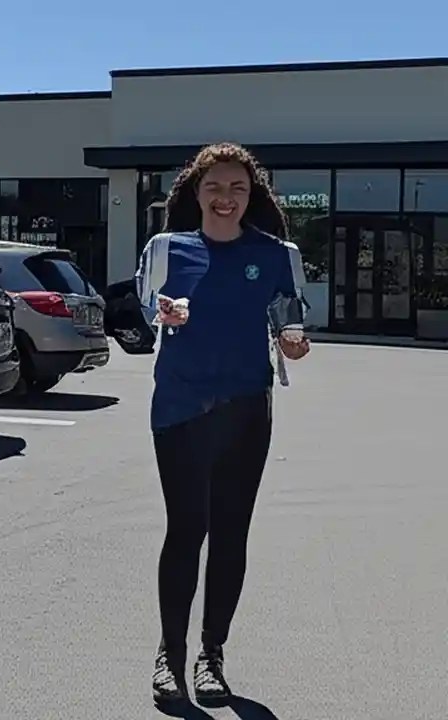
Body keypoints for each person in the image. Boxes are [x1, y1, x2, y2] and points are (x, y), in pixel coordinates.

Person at [137, 142, 311, 705]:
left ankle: (211, 657)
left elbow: (291, 320)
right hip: (181, 408)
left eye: (238, 188)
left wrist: (293, 340)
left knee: (231, 535)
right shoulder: (167, 249)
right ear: (196, 192)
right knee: (187, 530)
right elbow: (145, 310)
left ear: (250, 195)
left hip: (244, 408)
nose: (225, 198)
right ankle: (171, 655)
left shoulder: (277, 253)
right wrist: (163, 311)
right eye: (214, 187)